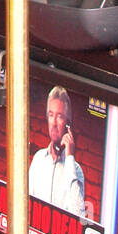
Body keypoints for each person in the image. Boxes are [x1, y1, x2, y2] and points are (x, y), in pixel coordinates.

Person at [28, 86, 86, 219]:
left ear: (68, 124)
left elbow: (79, 217)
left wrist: (70, 158)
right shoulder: (39, 159)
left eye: (59, 116)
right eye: (50, 115)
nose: (53, 123)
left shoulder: (75, 170)